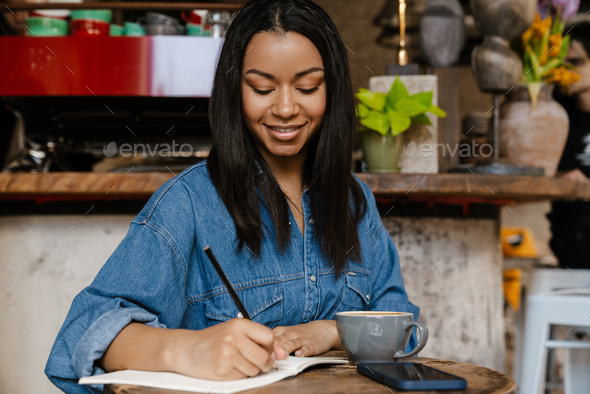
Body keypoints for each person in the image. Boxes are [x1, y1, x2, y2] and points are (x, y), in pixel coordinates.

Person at [44, 0, 420, 392]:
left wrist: (332, 331)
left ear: (333, 89)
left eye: (308, 86)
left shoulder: (354, 200)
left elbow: (405, 328)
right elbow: (82, 333)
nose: (286, 108)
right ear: (234, 89)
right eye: (261, 88)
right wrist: (186, 349)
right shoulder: (187, 203)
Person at [548, 22, 590, 269]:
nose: (564, 70)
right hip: (569, 247)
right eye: (561, 63)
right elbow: (534, 170)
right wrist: (563, 179)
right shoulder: (554, 115)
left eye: (575, 62)